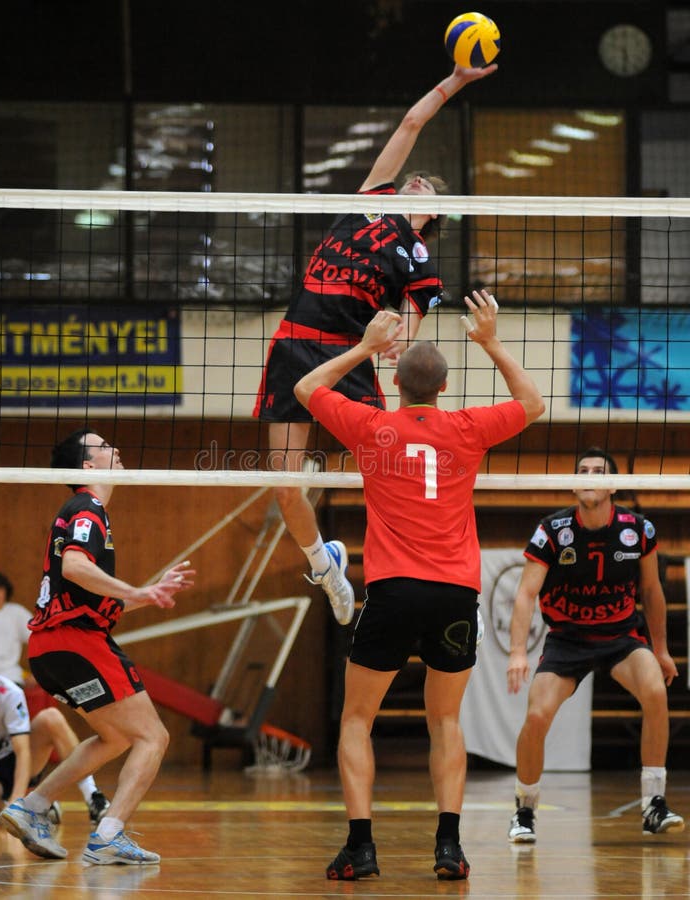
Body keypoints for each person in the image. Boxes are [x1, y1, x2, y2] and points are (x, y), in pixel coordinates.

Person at [294, 292, 545, 880]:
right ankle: (449, 849)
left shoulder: (373, 425)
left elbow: (306, 389)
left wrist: (363, 346)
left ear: (395, 381)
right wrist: (490, 341)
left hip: (394, 591)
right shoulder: (466, 427)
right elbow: (532, 402)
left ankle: (361, 848)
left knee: (357, 720)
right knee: (447, 722)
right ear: (445, 386)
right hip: (456, 593)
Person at [254, 62, 498, 627]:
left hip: (350, 358)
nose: (418, 182)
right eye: (416, 179)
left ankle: (449, 585)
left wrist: (392, 344)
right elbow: (413, 122)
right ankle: (325, 564)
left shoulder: (422, 265)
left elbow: (405, 336)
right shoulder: (372, 197)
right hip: (295, 347)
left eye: (429, 188)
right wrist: (458, 80)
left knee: (389, 473)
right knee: (287, 489)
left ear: (433, 214)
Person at [0, 429, 195, 865]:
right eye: (105, 447)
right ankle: (109, 835)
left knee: (114, 737)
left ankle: (30, 808)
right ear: (87, 466)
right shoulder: (88, 508)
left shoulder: (82, 511)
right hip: (77, 645)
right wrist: (139, 590)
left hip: (51, 649)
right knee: (153, 736)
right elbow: (75, 566)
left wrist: (148, 594)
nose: (118, 450)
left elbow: (90, 593)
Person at [506, 447, 684, 843]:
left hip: (621, 636)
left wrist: (660, 649)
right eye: (582, 470)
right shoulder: (552, 530)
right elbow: (524, 593)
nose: (588, 475)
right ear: (573, 484)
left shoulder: (638, 529)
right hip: (567, 639)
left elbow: (652, 591)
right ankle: (524, 810)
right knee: (536, 717)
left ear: (613, 485)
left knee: (656, 691)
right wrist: (518, 650)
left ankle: (654, 804)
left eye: (597, 471)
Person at [0, 634, 109, 823]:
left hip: (15, 762)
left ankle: (93, 797)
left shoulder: (7, 692)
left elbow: (22, 750)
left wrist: (16, 798)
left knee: (50, 718)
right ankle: (31, 810)